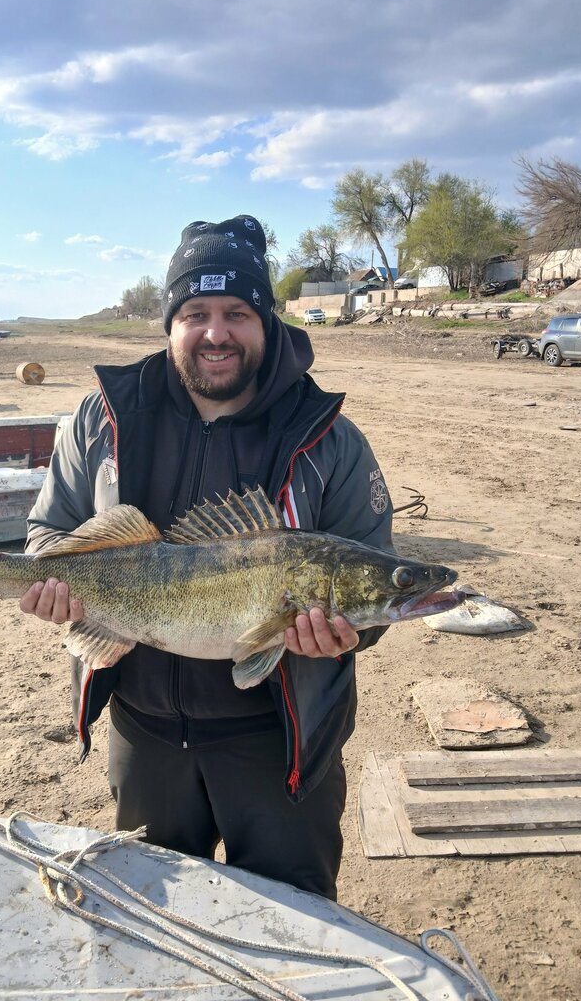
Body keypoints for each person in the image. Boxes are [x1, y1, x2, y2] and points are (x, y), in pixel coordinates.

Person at [21, 215, 393, 900]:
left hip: (280, 743)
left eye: (237, 313)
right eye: (196, 312)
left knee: (295, 923)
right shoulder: (98, 419)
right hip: (143, 733)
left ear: (266, 322)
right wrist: (50, 586)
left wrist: (355, 629)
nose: (216, 333)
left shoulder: (332, 441)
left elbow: (373, 580)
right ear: (169, 323)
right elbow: (47, 536)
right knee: (151, 917)